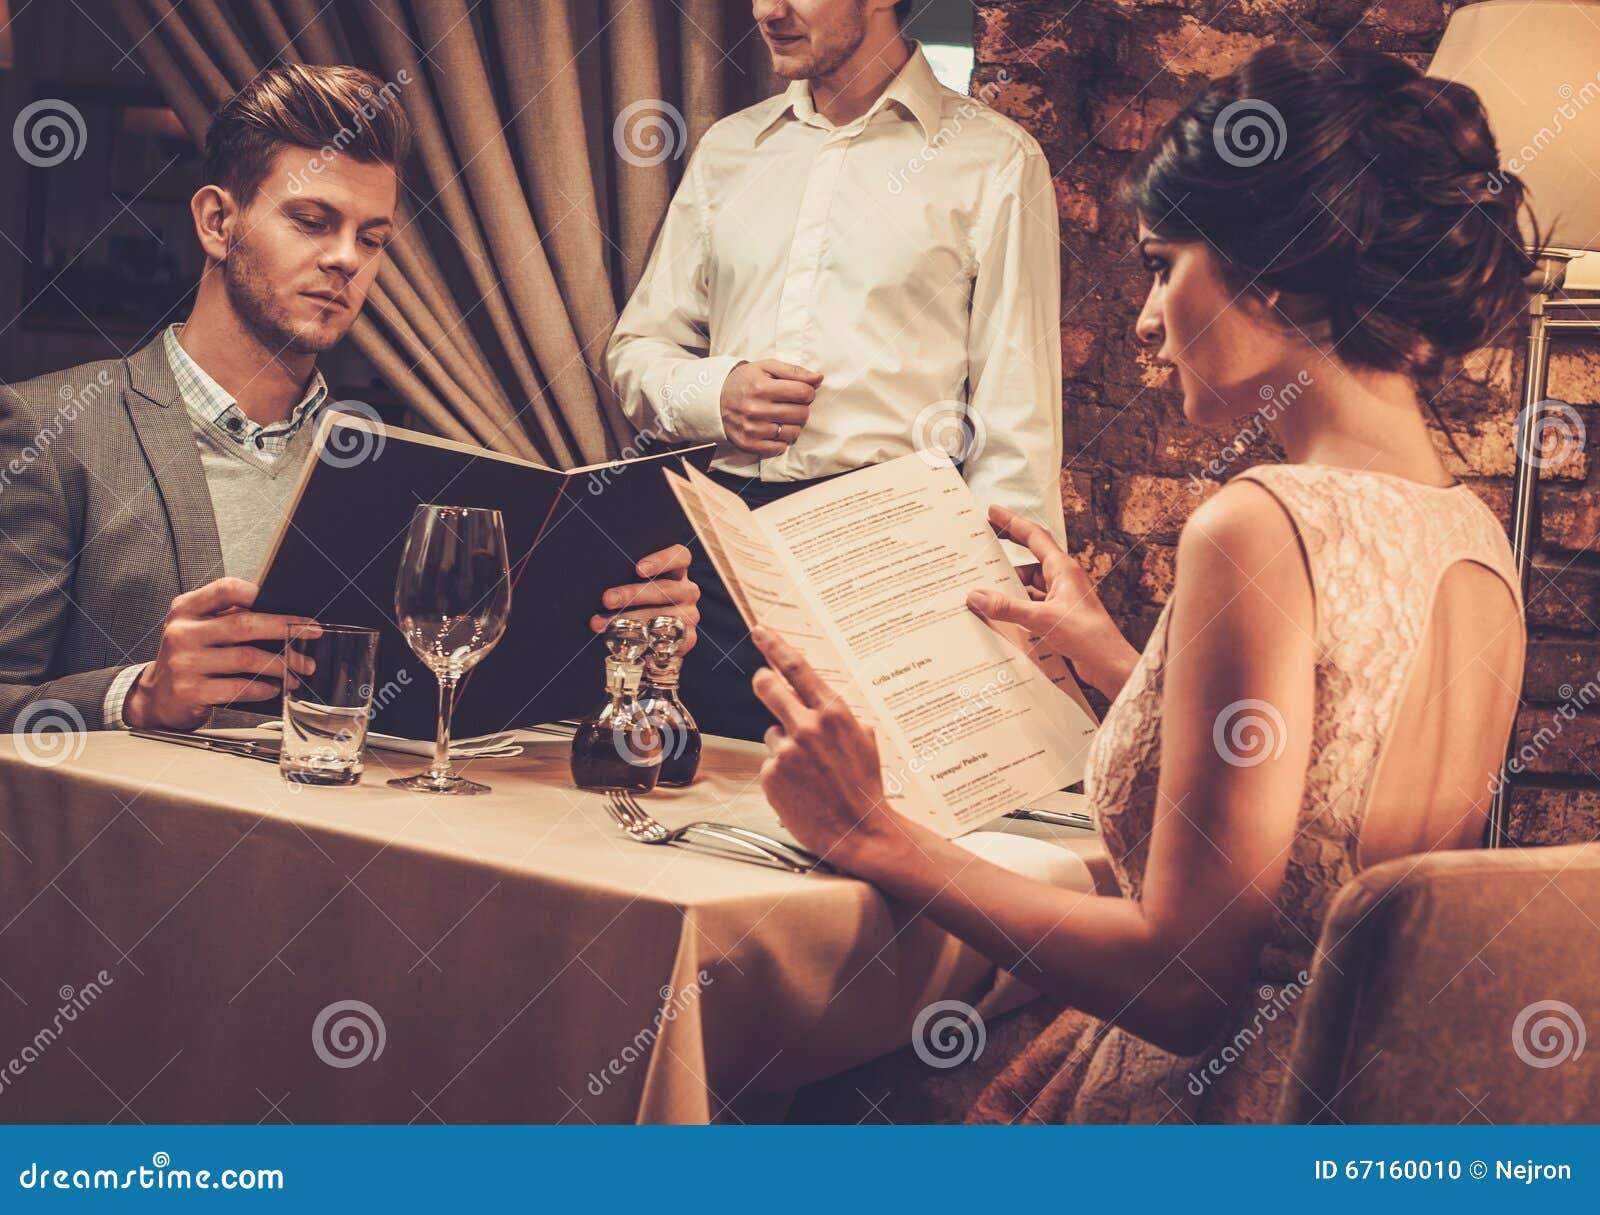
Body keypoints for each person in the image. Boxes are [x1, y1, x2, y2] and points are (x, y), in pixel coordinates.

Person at [749, 42, 1532, 1123]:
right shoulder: (1471, 542)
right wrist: (1116, 660)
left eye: (1164, 262)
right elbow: (1321, 810)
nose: (1144, 317)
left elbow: (1184, 985)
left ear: (1272, 270)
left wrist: (867, 830)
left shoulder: (1259, 526)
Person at [0, 64, 698, 735]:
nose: (346, 259)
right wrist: (136, 695)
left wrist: (628, 643)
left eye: (370, 238)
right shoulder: (50, 430)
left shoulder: (402, 471)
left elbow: (457, 702)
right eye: (311, 220)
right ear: (217, 221)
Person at [606, 0, 1066, 740]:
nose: (767, 10)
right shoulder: (731, 151)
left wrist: (1013, 622)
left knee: (871, 827)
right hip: (722, 553)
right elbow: (636, 350)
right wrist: (714, 393)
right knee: (702, 801)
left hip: (895, 560)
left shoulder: (997, 162)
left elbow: (1018, 426)